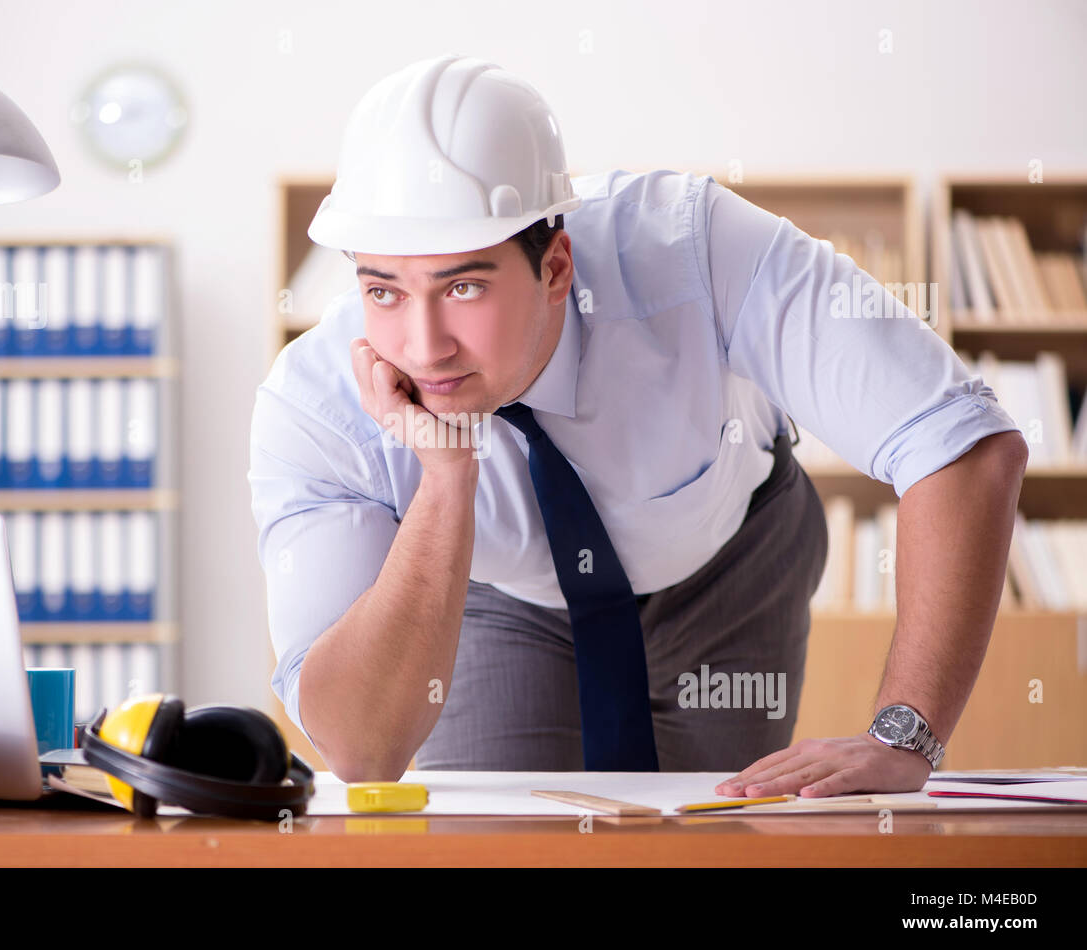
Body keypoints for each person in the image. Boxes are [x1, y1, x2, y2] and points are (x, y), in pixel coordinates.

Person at [248, 54, 1029, 796]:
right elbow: (361, 747)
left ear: (556, 266)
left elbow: (963, 443)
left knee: (708, 836)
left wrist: (905, 736)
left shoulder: (694, 249)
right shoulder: (317, 404)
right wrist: (448, 478)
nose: (423, 347)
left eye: (463, 288)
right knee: (506, 845)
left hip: (728, 564)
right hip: (493, 586)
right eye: (383, 290)